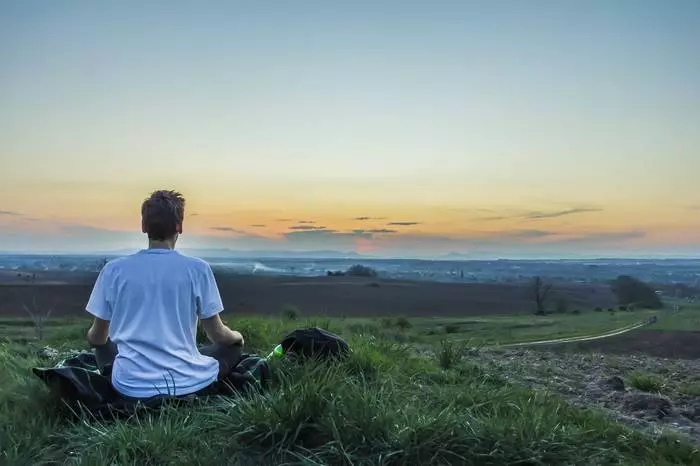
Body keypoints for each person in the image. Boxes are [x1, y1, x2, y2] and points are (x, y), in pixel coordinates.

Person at [84, 189, 244, 399]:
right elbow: (218, 335)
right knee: (231, 348)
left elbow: (97, 337)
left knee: (104, 345)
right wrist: (238, 337)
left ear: (143, 226)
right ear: (179, 226)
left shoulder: (113, 270)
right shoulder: (198, 269)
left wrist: (104, 340)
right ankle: (188, 366)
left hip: (129, 387)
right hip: (186, 383)